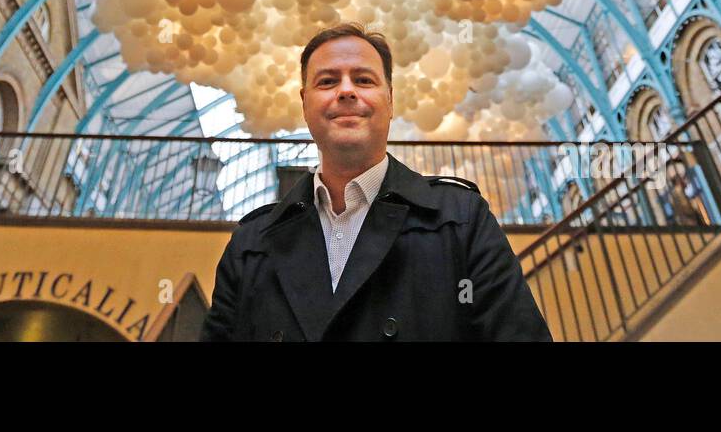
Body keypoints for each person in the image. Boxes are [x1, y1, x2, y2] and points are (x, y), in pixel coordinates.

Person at [200, 23, 553, 341]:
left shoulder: (461, 220)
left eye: (364, 80)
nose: (346, 91)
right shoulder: (250, 243)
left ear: (390, 101)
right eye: (327, 81)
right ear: (305, 103)